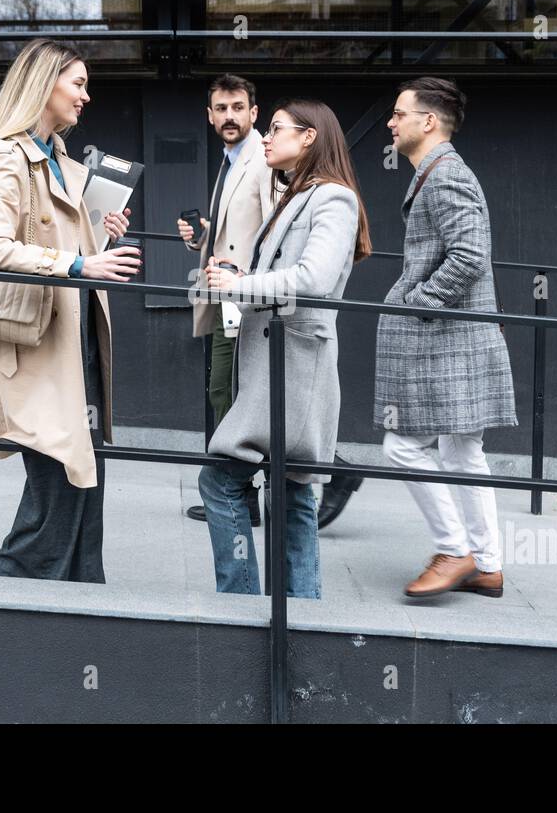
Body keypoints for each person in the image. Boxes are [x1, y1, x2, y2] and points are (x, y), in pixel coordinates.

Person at [0, 38, 141, 583]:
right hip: (39, 349)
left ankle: (83, 607)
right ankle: (10, 606)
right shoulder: (10, 156)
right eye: (78, 83)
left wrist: (98, 240)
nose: (86, 96)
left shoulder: (60, 158)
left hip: (74, 343)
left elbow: (65, 246)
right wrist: (80, 266)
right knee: (54, 495)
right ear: (44, 84)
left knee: (84, 486)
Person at [198, 99, 372, 598]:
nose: (266, 138)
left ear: (310, 137)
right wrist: (241, 277)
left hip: (293, 368)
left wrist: (238, 289)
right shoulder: (298, 195)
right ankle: (302, 613)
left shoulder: (332, 198)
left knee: (221, 480)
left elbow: (313, 279)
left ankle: (241, 603)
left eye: (275, 129)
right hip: (281, 365)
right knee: (293, 492)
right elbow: (286, 274)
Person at [373, 77, 517, 599]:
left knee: (401, 446)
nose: (390, 123)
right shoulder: (438, 172)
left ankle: (454, 549)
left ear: (428, 121)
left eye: (398, 114)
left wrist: (419, 305)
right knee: (462, 451)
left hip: (450, 340)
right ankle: (488, 564)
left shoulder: (445, 176)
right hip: (461, 338)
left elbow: (470, 255)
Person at [177, 75, 276, 527]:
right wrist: (200, 237)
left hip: (249, 298)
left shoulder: (265, 158)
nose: (230, 116)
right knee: (227, 389)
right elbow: (236, 229)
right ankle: (240, 492)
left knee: (230, 391)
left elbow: (277, 227)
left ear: (254, 113)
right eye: (221, 108)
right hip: (226, 296)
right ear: (210, 114)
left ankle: (238, 494)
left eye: (238, 107)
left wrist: (249, 278)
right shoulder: (230, 158)